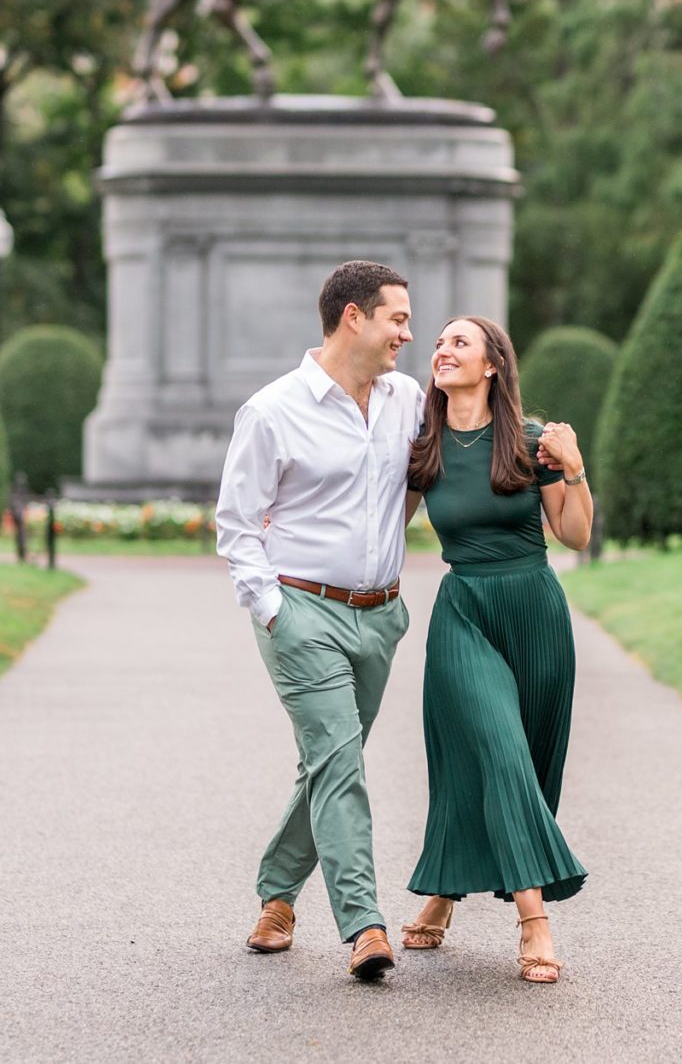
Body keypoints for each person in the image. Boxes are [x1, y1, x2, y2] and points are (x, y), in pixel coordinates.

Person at [214, 261, 425, 980]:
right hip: (302, 612)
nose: (407, 331)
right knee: (341, 762)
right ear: (353, 318)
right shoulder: (272, 410)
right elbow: (236, 524)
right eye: (397, 317)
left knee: (326, 764)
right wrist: (273, 611)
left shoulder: (406, 400)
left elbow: (453, 447)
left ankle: (277, 892)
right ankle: (365, 923)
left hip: (380, 616)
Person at [399, 316, 594, 984]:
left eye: (459, 341)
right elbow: (376, 524)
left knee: (519, 764)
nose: (442, 350)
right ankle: (534, 920)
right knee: (497, 748)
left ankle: (442, 895)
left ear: (490, 365)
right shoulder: (422, 448)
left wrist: (576, 471)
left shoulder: (531, 441)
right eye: (439, 342)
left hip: (534, 611)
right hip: (464, 613)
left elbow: (573, 533)